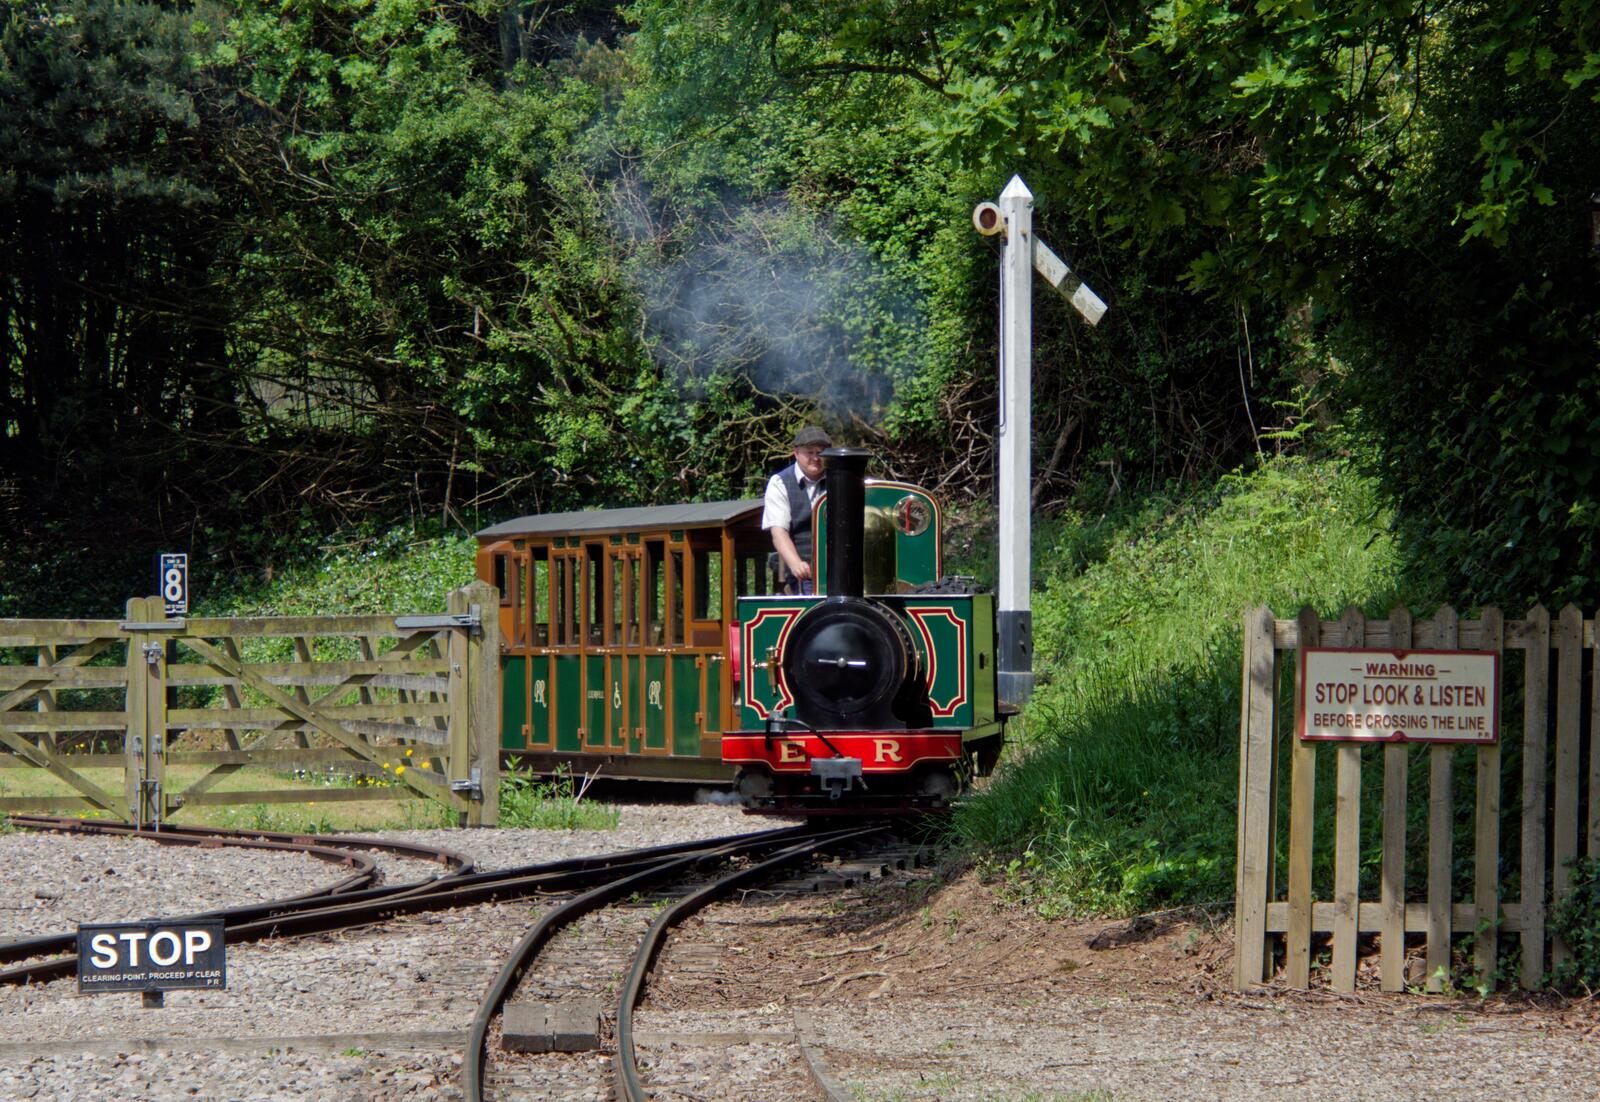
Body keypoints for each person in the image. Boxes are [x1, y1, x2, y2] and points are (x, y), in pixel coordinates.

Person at [762, 426, 830, 594]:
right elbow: (779, 532)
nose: (816, 458)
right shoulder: (779, 483)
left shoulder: (839, 480)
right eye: (810, 452)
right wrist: (795, 564)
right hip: (802, 577)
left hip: (839, 572)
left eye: (820, 453)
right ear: (796, 452)